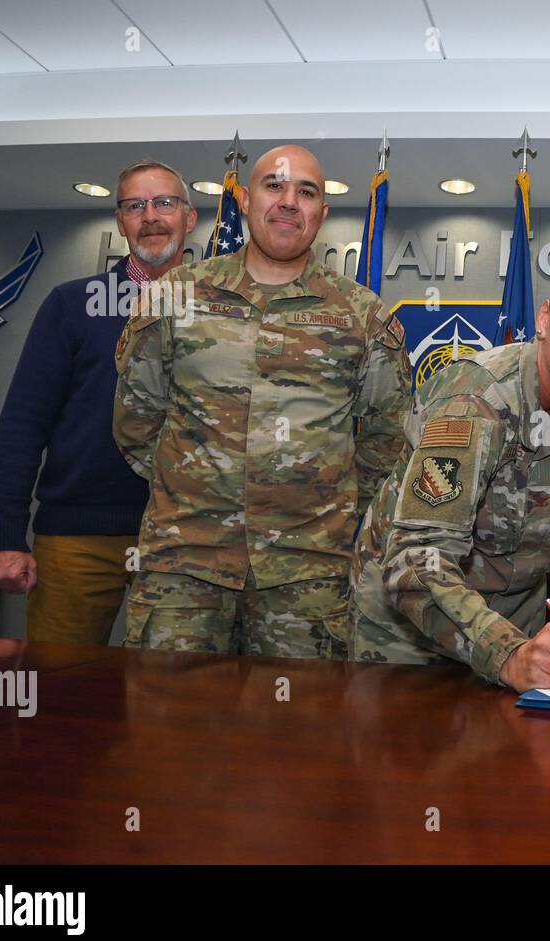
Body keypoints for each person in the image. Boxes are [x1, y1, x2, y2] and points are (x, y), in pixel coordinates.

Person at [113, 144, 410, 659]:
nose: (289, 202)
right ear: (246, 201)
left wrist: (325, 505)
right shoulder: (177, 296)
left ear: (323, 212)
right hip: (184, 565)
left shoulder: (362, 316)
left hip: (308, 574)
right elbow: (137, 420)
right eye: (275, 186)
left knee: (297, 734)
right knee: (168, 730)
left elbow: (388, 438)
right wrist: (194, 487)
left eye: (307, 192)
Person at [351, 247, 550, 692]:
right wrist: (507, 654)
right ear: (544, 319)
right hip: (409, 640)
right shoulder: (477, 399)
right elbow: (416, 561)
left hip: (519, 629)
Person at [0, 160, 198, 644]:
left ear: (190, 217)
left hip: (188, 537)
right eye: (134, 206)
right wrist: (2, 538)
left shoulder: (220, 312)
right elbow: (21, 424)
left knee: (176, 696)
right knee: (58, 691)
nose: (151, 216)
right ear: (120, 221)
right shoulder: (73, 305)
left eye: (165, 202)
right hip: (77, 537)